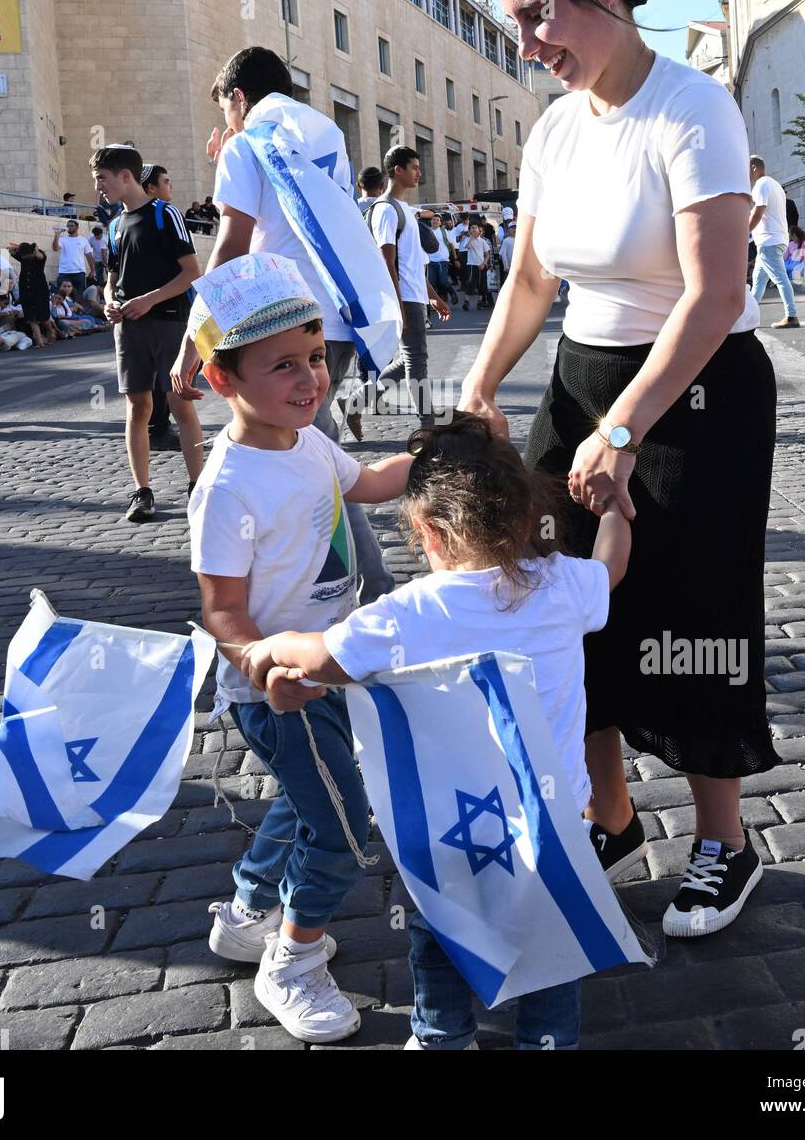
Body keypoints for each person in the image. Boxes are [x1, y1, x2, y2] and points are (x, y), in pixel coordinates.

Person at [456, 0, 779, 938]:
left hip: (698, 387)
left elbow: (715, 291)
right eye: (514, 20)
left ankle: (724, 846)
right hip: (584, 377)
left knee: (692, 610)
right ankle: (610, 813)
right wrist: (481, 380)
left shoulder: (696, 111)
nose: (528, 40)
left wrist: (632, 426)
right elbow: (533, 279)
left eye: (541, 11)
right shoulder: (552, 129)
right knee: (560, 602)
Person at [241, 414, 632, 1051]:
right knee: (549, 937)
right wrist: (616, 512)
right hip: (552, 820)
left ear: (426, 530)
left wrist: (270, 649)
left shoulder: (408, 613)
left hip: (452, 827)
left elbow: (318, 658)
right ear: (528, 518)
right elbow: (611, 568)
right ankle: (548, 1041)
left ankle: (441, 1036)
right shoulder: (565, 585)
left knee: (437, 928)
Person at [189, 254, 415, 1044]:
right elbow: (220, 609)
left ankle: (251, 909)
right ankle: (293, 960)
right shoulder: (226, 487)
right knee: (344, 830)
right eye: (282, 365)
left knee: (301, 798)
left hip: (333, 671)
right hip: (278, 694)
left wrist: (433, 455)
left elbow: (371, 484)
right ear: (222, 383)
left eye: (315, 358)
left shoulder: (309, 443)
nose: (309, 378)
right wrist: (261, 664)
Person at [176, 45, 399, 603]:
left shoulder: (247, 141)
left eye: (226, 111)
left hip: (280, 314)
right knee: (316, 452)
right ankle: (341, 586)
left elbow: (231, 244)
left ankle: (366, 591)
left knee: (317, 461)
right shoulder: (319, 131)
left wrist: (194, 339)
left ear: (237, 97)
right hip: (337, 317)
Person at [93, 144, 203, 522]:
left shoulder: (164, 213)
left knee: (178, 403)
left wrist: (150, 300)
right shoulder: (113, 226)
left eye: (102, 179)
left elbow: (191, 272)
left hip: (171, 321)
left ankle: (198, 485)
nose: (99, 187)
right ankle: (142, 491)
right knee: (138, 407)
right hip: (129, 328)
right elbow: (110, 280)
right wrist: (110, 301)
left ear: (126, 176)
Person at [369, 145, 451, 427]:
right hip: (404, 298)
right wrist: (399, 302)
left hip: (415, 296)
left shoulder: (406, 210)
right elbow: (387, 262)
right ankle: (427, 423)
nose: (419, 172)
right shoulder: (386, 210)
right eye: (414, 167)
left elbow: (414, 264)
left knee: (410, 358)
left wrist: (433, 296)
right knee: (416, 359)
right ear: (397, 170)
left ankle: (357, 398)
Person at [140, 162, 184, 457]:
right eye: (165, 181)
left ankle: (159, 425)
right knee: (166, 375)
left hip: (157, 311)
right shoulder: (165, 213)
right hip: (163, 313)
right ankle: (158, 427)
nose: (170, 187)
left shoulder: (161, 214)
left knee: (160, 375)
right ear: (151, 188)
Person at [749, 156, 799, 327]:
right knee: (758, 280)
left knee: (780, 278)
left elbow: (758, 212)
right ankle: (749, 317)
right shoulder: (774, 184)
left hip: (769, 240)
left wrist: (744, 232)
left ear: (754, 167)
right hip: (773, 239)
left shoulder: (761, 185)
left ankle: (791, 316)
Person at [11, 242, 57, 349]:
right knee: (31, 317)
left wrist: (34, 250)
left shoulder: (39, 258)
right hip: (26, 291)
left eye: (24, 255)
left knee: (43, 317)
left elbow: (41, 256)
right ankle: (39, 341)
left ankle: (51, 331)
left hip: (39, 291)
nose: (22, 257)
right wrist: (19, 247)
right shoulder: (23, 258)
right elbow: (11, 250)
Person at [51, 218, 95, 293]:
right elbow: (55, 248)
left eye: (71, 226)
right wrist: (57, 236)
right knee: (62, 294)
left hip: (79, 272)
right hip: (64, 272)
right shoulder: (62, 239)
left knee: (78, 295)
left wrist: (92, 270)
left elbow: (89, 256)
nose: (69, 228)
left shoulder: (83, 240)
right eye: (68, 226)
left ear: (77, 227)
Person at [424, 213, 454, 306]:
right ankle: (436, 303)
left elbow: (451, 244)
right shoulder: (427, 231)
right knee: (432, 282)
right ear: (431, 221)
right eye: (433, 219)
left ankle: (451, 292)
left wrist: (455, 257)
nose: (435, 221)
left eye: (437, 220)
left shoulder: (443, 231)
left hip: (443, 259)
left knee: (442, 281)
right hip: (431, 260)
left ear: (440, 223)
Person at [464, 218, 493, 310]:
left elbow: (487, 254)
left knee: (481, 284)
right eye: (472, 228)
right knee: (469, 283)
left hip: (481, 265)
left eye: (475, 228)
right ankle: (466, 301)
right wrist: (472, 237)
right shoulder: (468, 239)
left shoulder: (483, 241)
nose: (474, 229)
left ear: (479, 230)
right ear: (469, 230)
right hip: (471, 265)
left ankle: (479, 302)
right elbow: (468, 247)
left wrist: (484, 263)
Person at [87, 222, 110, 288]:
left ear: (102, 233)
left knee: (109, 274)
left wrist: (106, 262)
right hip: (97, 261)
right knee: (99, 276)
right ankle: (101, 288)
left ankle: (109, 287)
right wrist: (92, 260)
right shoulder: (91, 240)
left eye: (99, 235)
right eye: (96, 235)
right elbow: (87, 250)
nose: (98, 237)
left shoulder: (106, 238)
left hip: (107, 260)